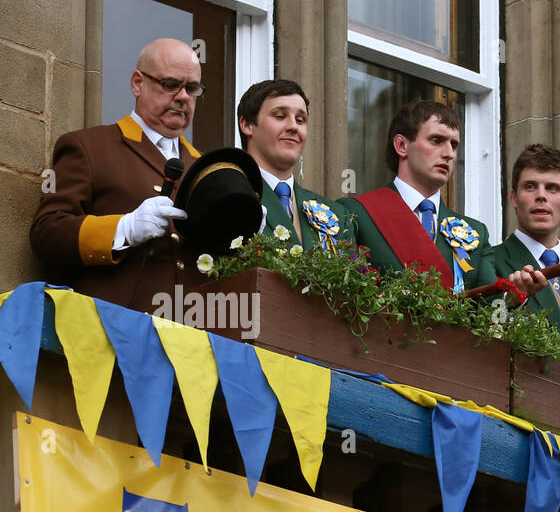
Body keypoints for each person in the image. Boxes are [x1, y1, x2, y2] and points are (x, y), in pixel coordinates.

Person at [30, 38, 204, 312]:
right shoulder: (89, 147)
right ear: (137, 83)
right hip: (113, 331)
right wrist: (124, 229)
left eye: (192, 88)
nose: (183, 97)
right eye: (170, 85)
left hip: (194, 338)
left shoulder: (205, 169)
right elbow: (47, 233)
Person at [333, 101, 543, 299]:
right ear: (402, 145)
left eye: (454, 145)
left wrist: (514, 297)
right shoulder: (355, 213)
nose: (449, 154)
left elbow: (489, 309)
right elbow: (346, 296)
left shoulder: (475, 232)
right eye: (436, 140)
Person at [482, 144, 560, 328]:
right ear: (514, 198)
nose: (541, 196)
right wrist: (511, 302)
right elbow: (476, 334)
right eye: (530, 187)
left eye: (552, 188)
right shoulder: (488, 263)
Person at [237, 79, 352, 251]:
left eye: (300, 120)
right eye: (280, 116)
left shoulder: (336, 214)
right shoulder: (231, 197)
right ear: (247, 125)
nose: (293, 127)